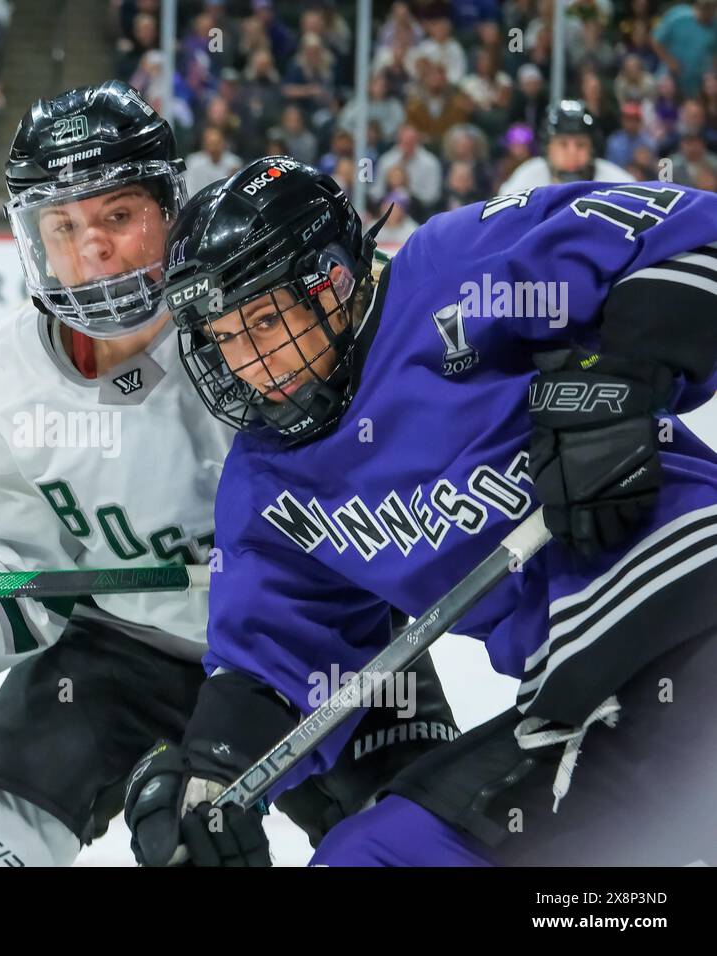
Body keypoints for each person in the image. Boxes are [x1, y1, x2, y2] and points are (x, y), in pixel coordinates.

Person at [0, 85, 459, 867]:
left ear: (170, 207)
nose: (95, 248)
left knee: (432, 837)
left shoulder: (266, 318)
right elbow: (14, 575)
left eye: (118, 216)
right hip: (118, 653)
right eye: (64, 226)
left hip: (317, 633)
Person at [126, 156, 717, 866]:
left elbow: (690, 235)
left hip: (691, 602)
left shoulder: (453, 268)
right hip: (584, 710)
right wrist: (208, 775)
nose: (253, 362)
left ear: (335, 280)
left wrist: (620, 382)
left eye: (264, 318)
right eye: (224, 338)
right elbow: (269, 660)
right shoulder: (268, 481)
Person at [499, 100, 632, 194]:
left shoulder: (617, 182)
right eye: (563, 144)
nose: (572, 152)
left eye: (580, 145)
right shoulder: (527, 178)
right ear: (548, 148)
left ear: (592, 149)